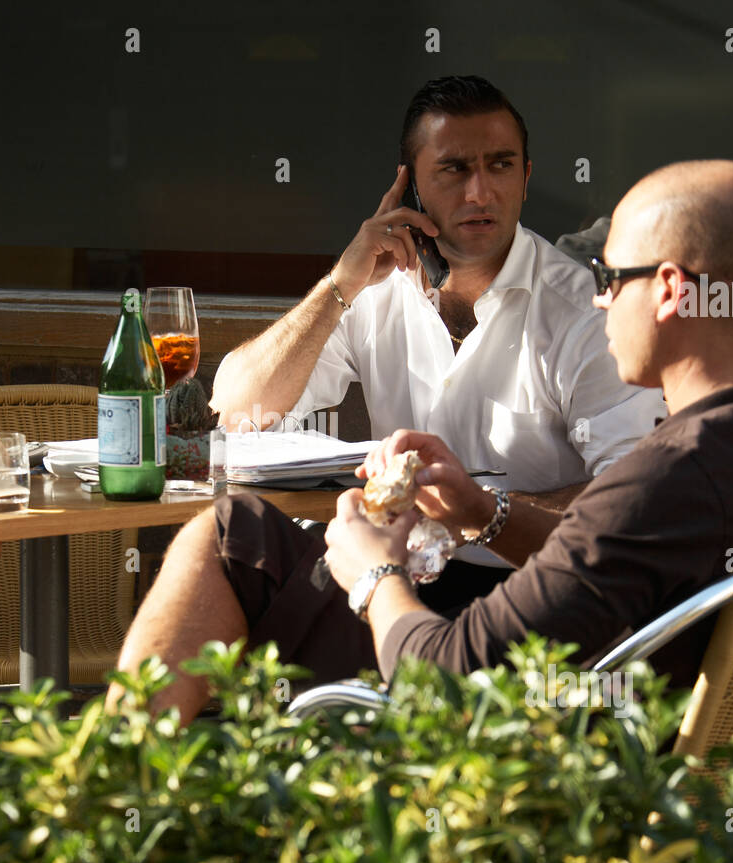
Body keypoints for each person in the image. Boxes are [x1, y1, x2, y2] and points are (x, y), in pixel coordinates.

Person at [104, 159, 733, 724]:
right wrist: (482, 511)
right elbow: (612, 562)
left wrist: (372, 570)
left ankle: (116, 799)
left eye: (609, 276)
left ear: (670, 291)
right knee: (244, 535)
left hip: (520, 741)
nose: (597, 299)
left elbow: (444, 677)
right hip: (599, 695)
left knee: (231, 538)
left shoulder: (672, 476)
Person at [211, 75, 666, 609]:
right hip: (392, 580)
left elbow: (634, 500)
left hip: (530, 590)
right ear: (410, 188)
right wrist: (340, 284)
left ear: (525, 179)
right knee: (218, 540)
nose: (480, 193)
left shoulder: (585, 313)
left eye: (500, 165)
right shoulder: (373, 291)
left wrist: (473, 508)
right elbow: (238, 410)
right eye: (455, 169)